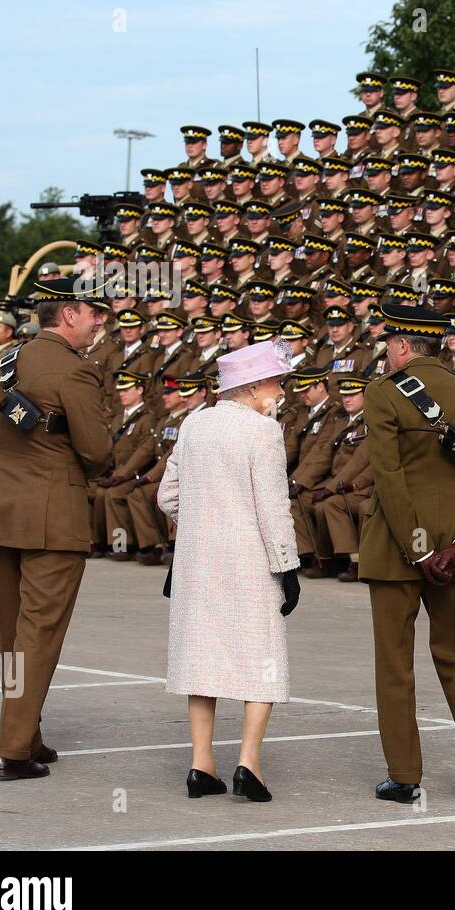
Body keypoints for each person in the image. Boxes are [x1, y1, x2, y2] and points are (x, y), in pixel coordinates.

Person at [359, 303, 455, 805]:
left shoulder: (382, 393)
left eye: (388, 346)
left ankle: (404, 775)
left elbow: (389, 476)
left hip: (400, 549)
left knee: (395, 663)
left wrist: (418, 548)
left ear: (401, 346)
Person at [0, 277, 112, 780]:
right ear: (69, 315)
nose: (100, 320)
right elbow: (97, 453)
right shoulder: (75, 372)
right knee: (40, 633)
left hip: (5, 509)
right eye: (93, 311)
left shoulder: (3, 362)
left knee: (11, 632)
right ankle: (11, 751)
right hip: (54, 517)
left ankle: (27, 733)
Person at [157, 339, 301, 802]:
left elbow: (167, 497)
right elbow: (273, 507)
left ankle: (201, 765)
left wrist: (201, 523)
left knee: (203, 660)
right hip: (250, 563)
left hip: (196, 563)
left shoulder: (193, 422)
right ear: (254, 385)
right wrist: (287, 566)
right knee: (261, 660)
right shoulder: (262, 432)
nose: (281, 392)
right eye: (277, 383)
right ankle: (248, 765)